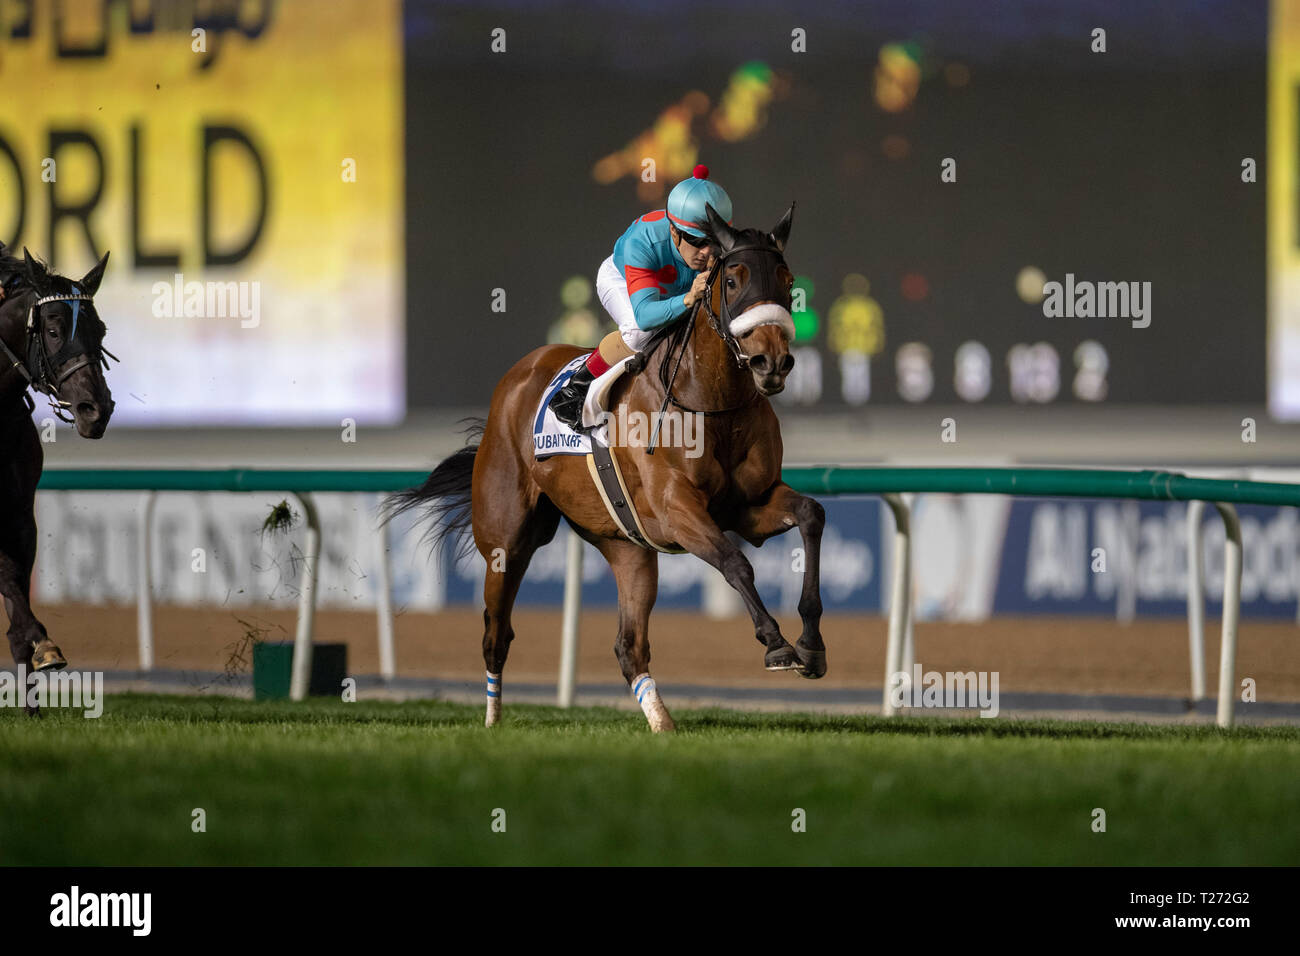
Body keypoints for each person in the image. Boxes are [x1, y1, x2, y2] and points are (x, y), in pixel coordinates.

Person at [547, 164, 733, 429]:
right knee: (636, 333)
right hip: (622, 280)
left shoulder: (715, 249)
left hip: (677, 290)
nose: (707, 252)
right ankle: (576, 387)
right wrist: (688, 298)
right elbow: (646, 316)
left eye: (715, 241)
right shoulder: (642, 242)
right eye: (696, 240)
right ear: (673, 231)